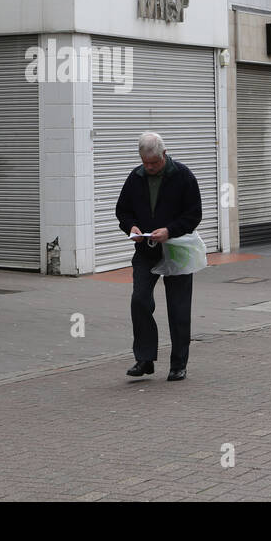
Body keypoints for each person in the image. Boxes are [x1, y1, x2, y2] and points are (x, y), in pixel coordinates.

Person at [115, 132, 202, 381]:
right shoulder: (136, 177)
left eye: (154, 163)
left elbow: (194, 214)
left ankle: (178, 364)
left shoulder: (183, 176)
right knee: (139, 300)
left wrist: (170, 230)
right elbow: (122, 209)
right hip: (146, 251)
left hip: (177, 250)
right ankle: (144, 359)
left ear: (164, 154)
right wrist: (130, 226)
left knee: (179, 307)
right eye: (145, 163)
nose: (150, 167)